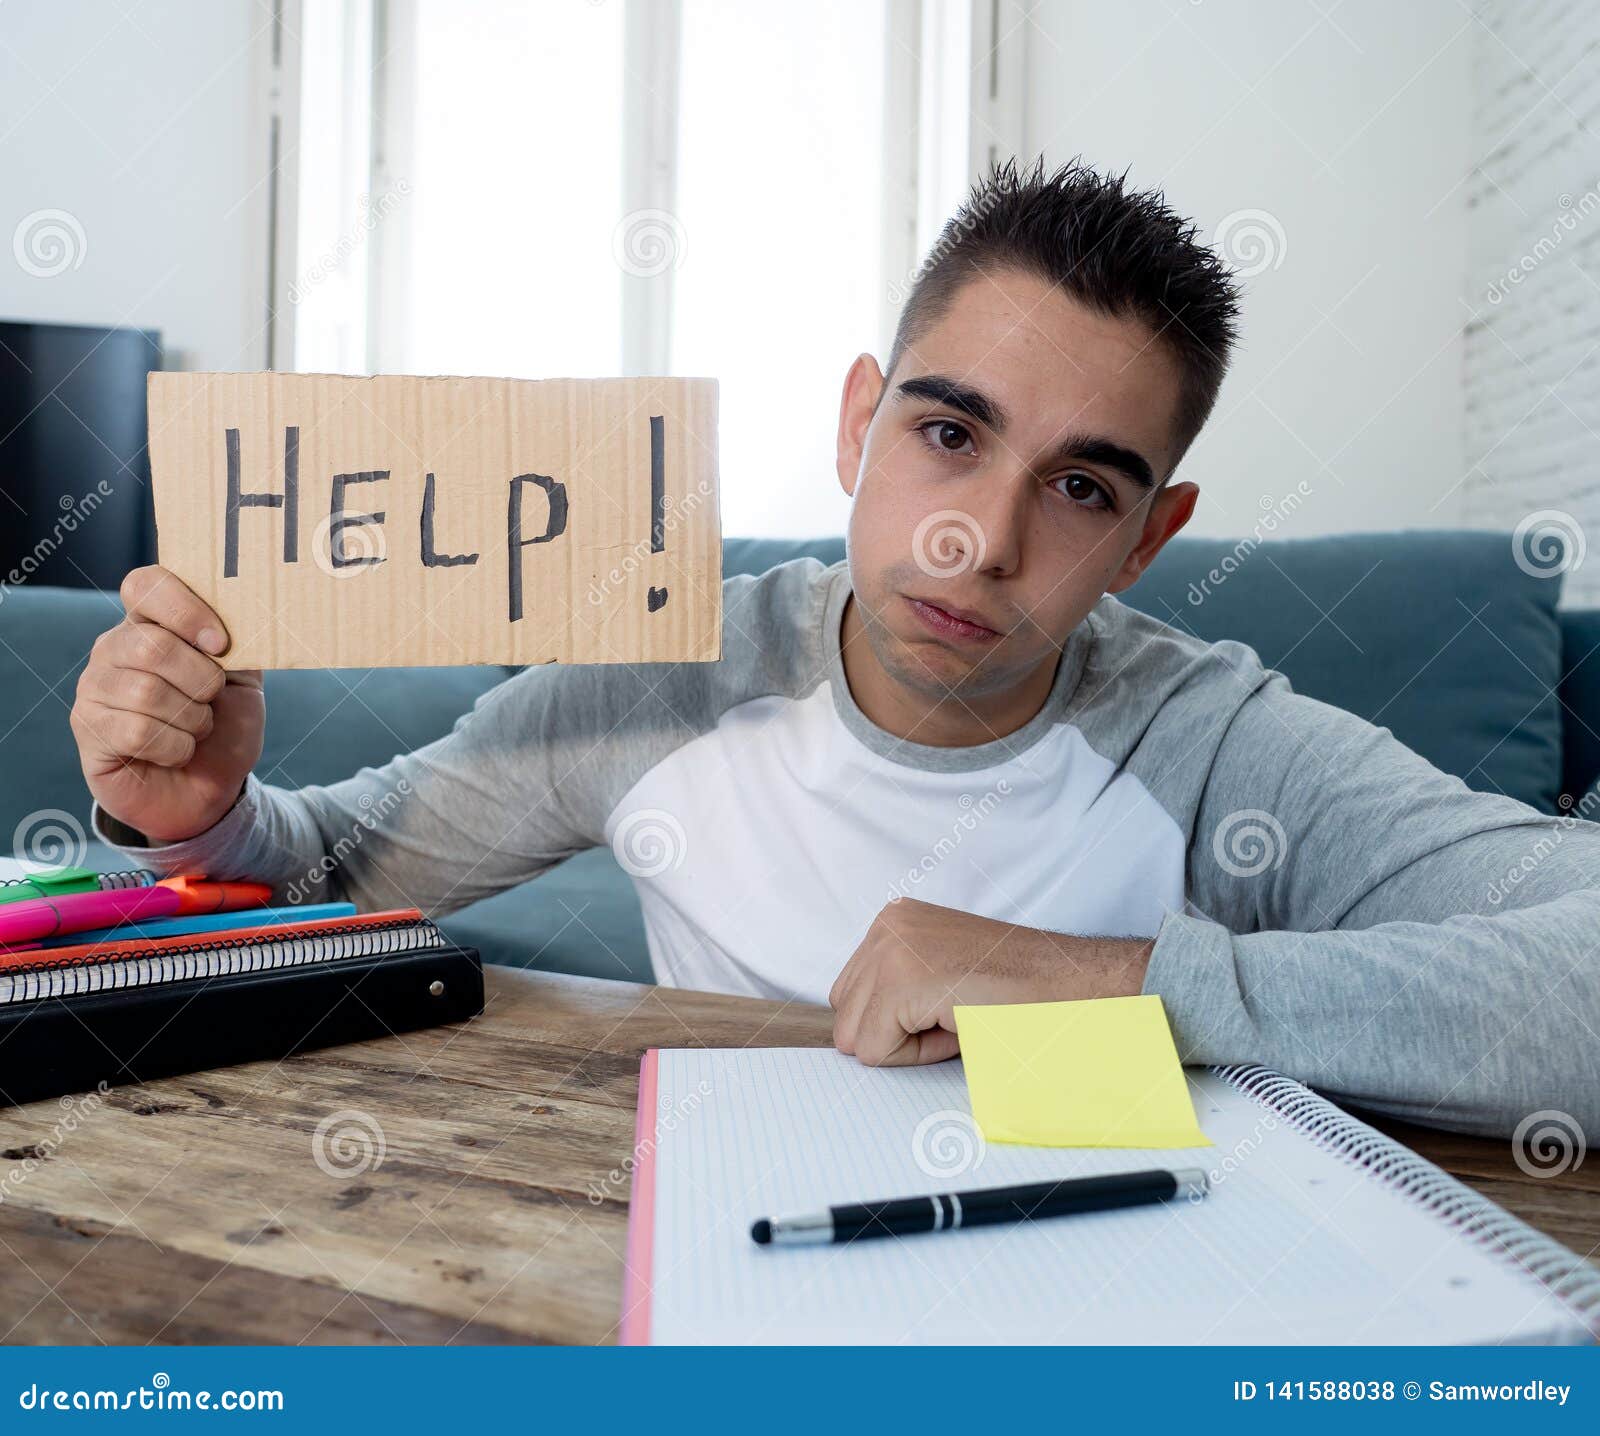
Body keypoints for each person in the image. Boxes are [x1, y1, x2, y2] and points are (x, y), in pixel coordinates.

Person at [72, 159, 1600, 1139]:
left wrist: (1126, 982)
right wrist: (198, 807)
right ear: (862, 420)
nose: (978, 543)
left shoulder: (1211, 742)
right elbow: (331, 868)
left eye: (1079, 488)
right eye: (948, 434)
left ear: (1149, 538)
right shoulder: (665, 675)